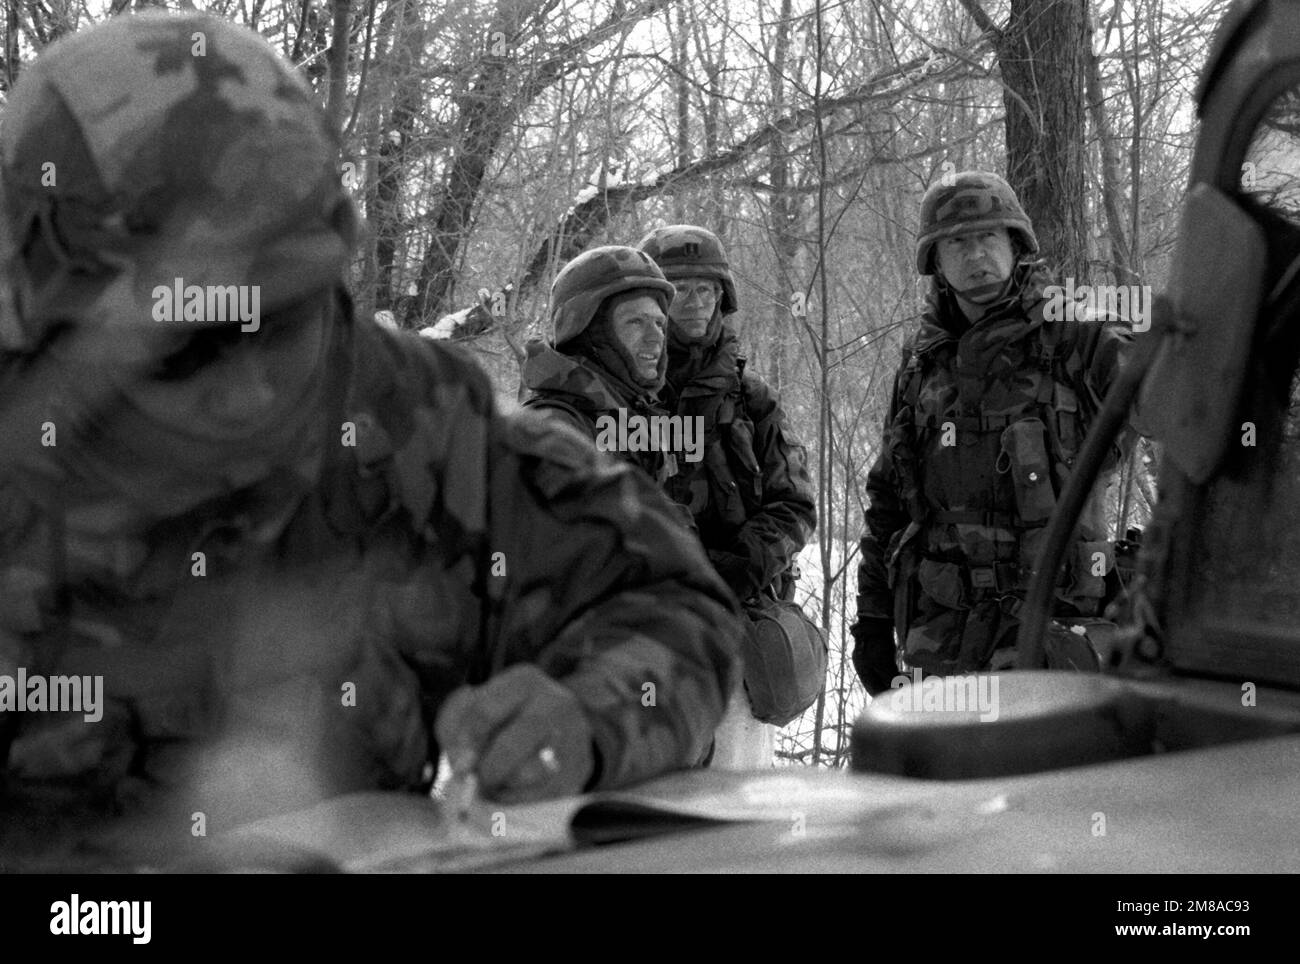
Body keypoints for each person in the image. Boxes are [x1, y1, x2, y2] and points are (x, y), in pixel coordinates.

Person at [0, 12, 741, 864]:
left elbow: (676, 607)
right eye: (189, 341)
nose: (249, 379)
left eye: (284, 313)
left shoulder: (411, 421)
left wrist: (582, 719)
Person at [849, 171, 1134, 695]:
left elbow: (1182, 419)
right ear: (934, 260)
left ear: (1015, 244)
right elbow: (887, 503)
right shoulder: (920, 366)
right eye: (957, 242)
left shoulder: (1079, 337)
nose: (976, 256)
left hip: (1051, 639)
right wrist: (871, 618)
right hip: (942, 643)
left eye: (988, 238)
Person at [637, 225, 816, 767]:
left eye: (706, 291)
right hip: (650, 632)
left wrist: (736, 565)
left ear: (722, 298)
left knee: (740, 801)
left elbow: (796, 505)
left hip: (741, 627)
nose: (694, 304)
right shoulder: (624, 399)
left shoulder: (752, 398)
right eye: (679, 290)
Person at [520, 246, 683, 483]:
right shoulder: (553, 430)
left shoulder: (634, 415)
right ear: (589, 332)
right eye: (635, 322)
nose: (655, 337)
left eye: (659, 323)